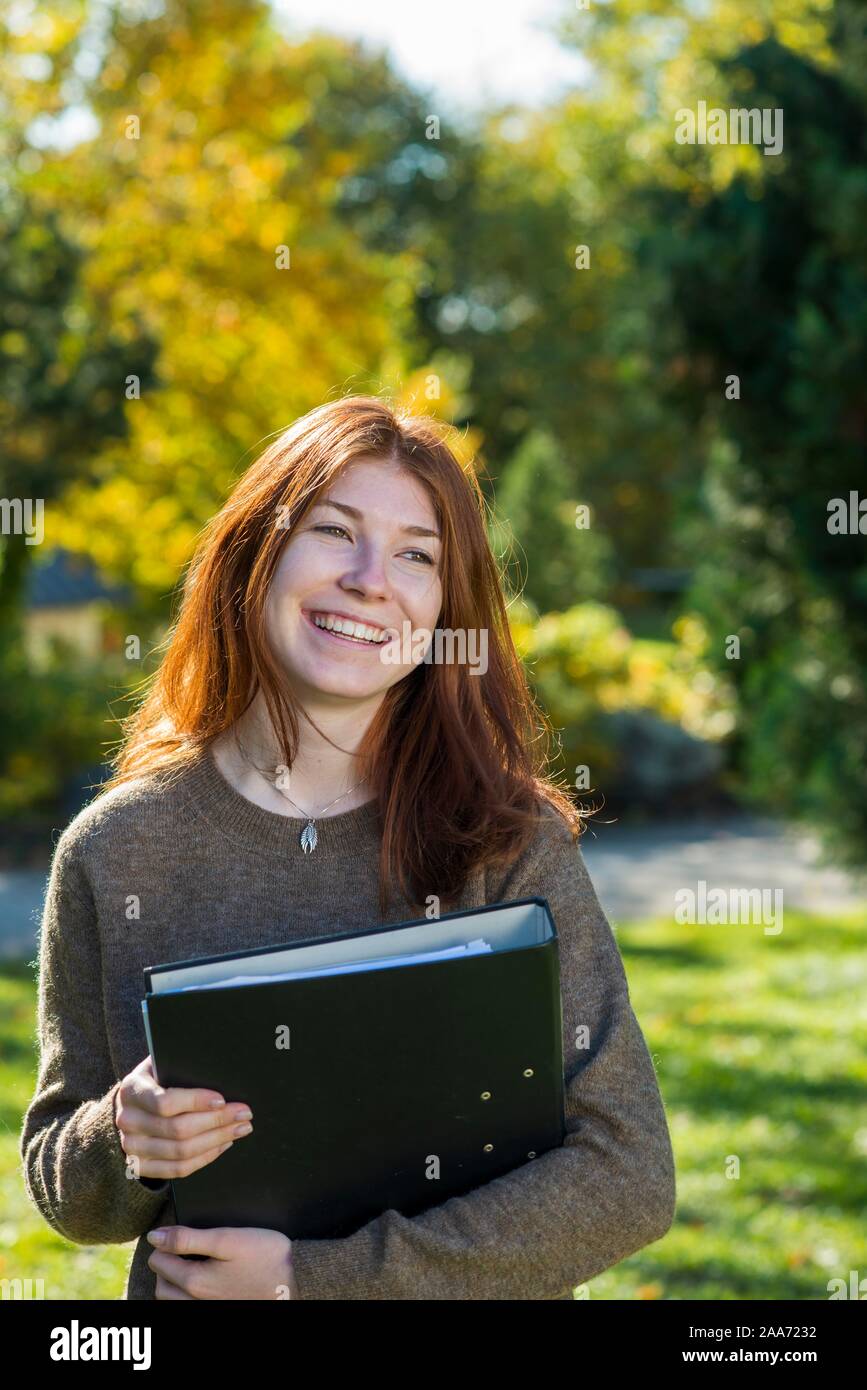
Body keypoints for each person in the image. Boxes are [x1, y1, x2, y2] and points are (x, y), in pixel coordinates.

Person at [20, 395, 676, 1300]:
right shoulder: (117, 849)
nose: (373, 579)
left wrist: (315, 1281)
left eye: (417, 555)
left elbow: (627, 1173)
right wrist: (126, 1142)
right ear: (255, 554)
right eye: (335, 531)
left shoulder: (504, 843)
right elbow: (69, 1191)